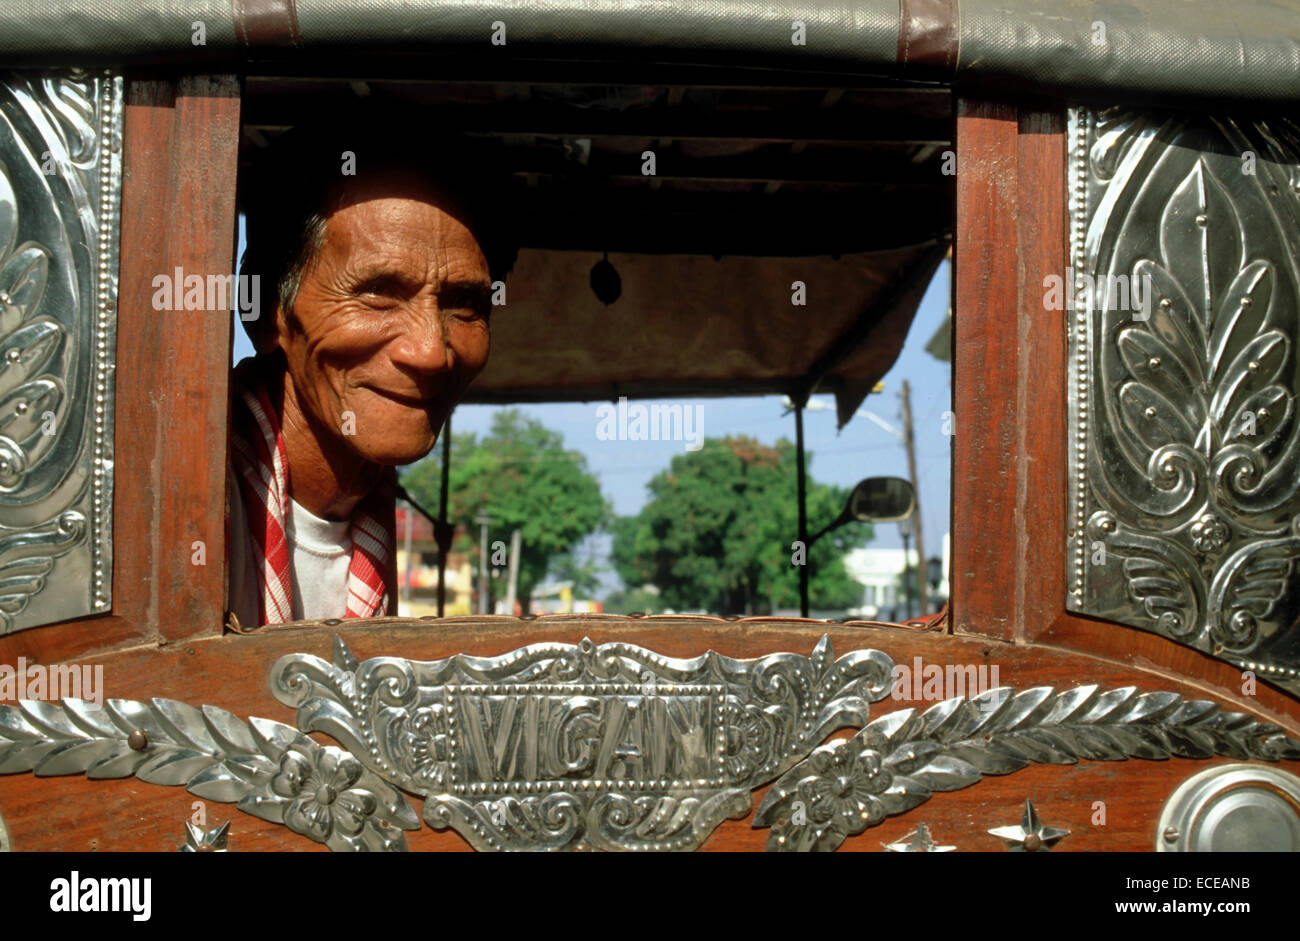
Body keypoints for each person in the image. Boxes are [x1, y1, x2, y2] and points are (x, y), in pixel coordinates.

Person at [226, 119, 514, 626]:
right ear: (266, 311)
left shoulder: (367, 522)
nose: (430, 352)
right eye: (379, 293)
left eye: (464, 303)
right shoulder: (173, 513)